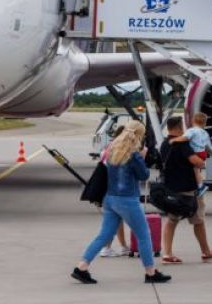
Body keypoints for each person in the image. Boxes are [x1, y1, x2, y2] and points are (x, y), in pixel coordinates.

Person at [73, 121, 171, 284]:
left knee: (104, 235)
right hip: (127, 199)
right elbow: (144, 175)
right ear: (138, 135)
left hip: (110, 198)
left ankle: (81, 267)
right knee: (144, 235)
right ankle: (150, 272)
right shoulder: (133, 154)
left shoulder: (111, 149)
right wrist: (143, 157)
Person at [159, 117, 212, 264]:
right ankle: (206, 252)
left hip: (171, 188)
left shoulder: (164, 144)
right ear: (179, 127)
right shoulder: (183, 144)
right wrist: (203, 161)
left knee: (171, 220)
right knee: (198, 220)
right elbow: (196, 161)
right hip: (188, 189)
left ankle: (167, 253)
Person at [99, 125, 131, 258]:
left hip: (107, 189)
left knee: (116, 219)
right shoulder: (119, 150)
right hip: (115, 190)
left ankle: (123, 246)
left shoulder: (107, 148)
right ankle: (106, 247)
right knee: (112, 220)